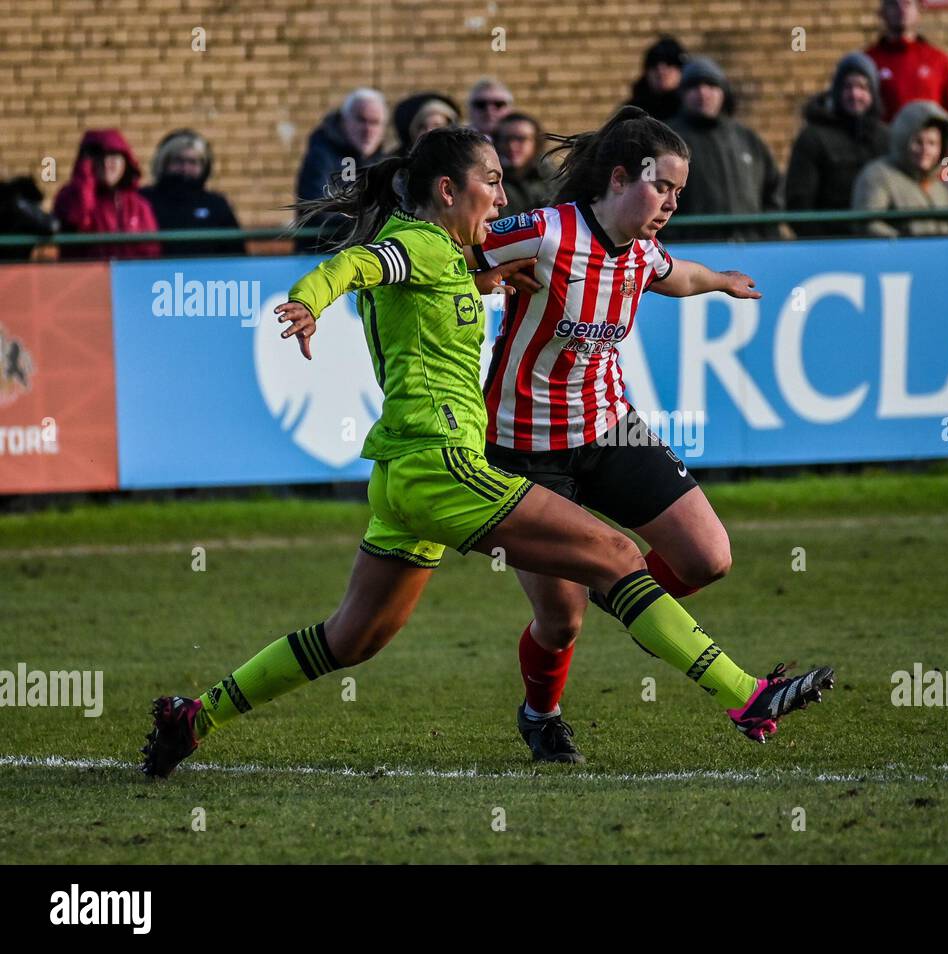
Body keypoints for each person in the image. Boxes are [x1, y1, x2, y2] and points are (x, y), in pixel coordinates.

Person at [139, 125, 834, 780]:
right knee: (618, 559)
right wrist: (307, 300)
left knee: (351, 639)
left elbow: (439, 279)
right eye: (492, 182)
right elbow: (359, 261)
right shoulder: (420, 244)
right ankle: (743, 693)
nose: (503, 198)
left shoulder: (449, 258)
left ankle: (194, 717)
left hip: (404, 475)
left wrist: (494, 283)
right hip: (446, 464)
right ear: (449, 191)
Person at [471, 106, 775, 762]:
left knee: (708, 557)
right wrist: (484, 276)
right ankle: (541, 714)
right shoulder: (546, 233)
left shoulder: (641, 252)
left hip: (612, 431)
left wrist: (720, 281)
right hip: (525, 453)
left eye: (678, 194)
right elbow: (457, 254)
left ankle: (627, 594)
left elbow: (678, 275)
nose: (670, 203)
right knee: (560, 622)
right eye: (662, 187)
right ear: (618, 178)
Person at [665, 58, 782, 243]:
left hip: (751, 248)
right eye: (694, 87)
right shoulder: (667, 140)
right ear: (682, 94)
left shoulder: (746, 138)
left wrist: (766, 235)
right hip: (693, 254)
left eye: (711, 85)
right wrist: (676, 240)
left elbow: (773, 191)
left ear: (723, 92)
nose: (703, 93)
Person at [785, 52, 890, 237]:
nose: (855, 94)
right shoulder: (813, 138)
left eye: (863, 87)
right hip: (829, 248)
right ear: (836, 90)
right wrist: (825, 243)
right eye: (847, 86)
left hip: (880, 245)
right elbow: (798, 204)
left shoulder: (886, 138)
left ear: (873, 93)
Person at [295, 88, 389, 252]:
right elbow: (318, 209)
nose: (368, 130)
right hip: (321, 257)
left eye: (375, 123)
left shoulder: (385, 161)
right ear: (344, 121)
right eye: (361, 120)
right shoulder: (322, 156)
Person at [851, 100, 948, 237]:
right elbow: (867, 223)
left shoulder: (943, 181)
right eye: (918, 142)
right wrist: (904, 245)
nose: (925, 150)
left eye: (932, 143)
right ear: (902, 140)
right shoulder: (878, 175)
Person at [866, 0, 948, 154]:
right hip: (887, 158)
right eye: (893, 4)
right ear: (882, 12)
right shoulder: (869, 61)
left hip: (931, 160)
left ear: (918, 13)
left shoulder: (938, 60)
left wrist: (947, 169)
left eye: (907, 3)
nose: (901, 9)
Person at [53, 129, 160, 259]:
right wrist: (84, 183)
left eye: (114, 156)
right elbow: (79, 223)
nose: (106, 163)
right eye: (99, 157)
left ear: (126, 162)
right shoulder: (70, 198)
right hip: (84, 277)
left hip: (131, 277)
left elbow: (151, 252)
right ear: (86, 162)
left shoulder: (139, 205)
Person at [140, 129, 244, 257]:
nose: (185, 168)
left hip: (207, 275)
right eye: (178, 161)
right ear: (164, 163)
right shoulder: (144, 201)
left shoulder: (216, 204)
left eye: (193, 162)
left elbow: (236, 251)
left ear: (204, 166)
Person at [493, 112, 551, 217]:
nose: (512, 146)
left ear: (536, 143)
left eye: (521, 139)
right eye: (506, 139)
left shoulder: (553, 179)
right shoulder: (490, 182)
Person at [625, 36, 688, 121]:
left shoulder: (694, 110)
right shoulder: (631, 114)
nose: (661, 70)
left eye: (669, 63)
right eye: (654, 64)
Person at [392, 91, 460, 156]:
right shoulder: (398, 165)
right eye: (423, 127)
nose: (429, 131)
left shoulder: (464, 163)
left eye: (437, 125)